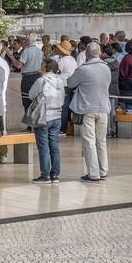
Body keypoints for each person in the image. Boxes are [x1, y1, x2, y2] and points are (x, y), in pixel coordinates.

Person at [68, 41, 111, 184]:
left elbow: (70, 83)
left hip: (88, 109)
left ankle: (93, 173)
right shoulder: (106, 68)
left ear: (86, 53)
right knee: (101, 141)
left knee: (89, 142)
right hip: (103, 107)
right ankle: (103, 170)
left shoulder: (83, 69)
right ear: (99, 53)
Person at [28, 58, 65, 184]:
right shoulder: (60, 81)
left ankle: (45, 175)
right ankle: (55, 175)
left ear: (46, 68)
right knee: (54, 146)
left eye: (42, 66)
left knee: (43, 147)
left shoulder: (41, 80)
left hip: (44, 116)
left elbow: (31, 95)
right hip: (57, 116)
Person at [17, 33, 43, 112]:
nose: (24, 41)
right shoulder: (40, 51)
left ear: (28, 41)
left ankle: (29, 122)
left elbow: (18, 66)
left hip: (27, 78)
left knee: (27, 100)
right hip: (38, 76)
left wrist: (11, 57)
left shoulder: (26, 51)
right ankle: (36, 121)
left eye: (25, 39)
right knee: (37, 100)